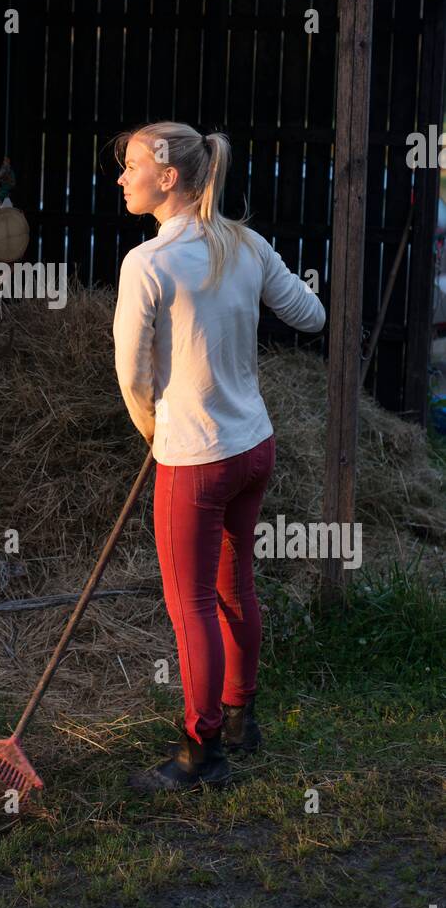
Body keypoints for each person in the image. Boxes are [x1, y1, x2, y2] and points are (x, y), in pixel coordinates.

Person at [112, 122, 326, 792]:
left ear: (168, 177)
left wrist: (153, 429)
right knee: (234, 587)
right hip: (251, 447)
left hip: (194, 461)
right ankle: (239, 718)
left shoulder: (147, 264)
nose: (122, 177)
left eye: (132, 166)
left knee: (191, 605)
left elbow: (129, 376)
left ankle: (200, 755)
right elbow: (311, 316)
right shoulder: (245, 243)